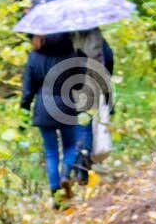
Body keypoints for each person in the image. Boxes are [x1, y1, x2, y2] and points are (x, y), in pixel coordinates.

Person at [20, 30, 115, 201]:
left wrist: (24, 110)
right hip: (66, 106)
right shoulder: (71, 52)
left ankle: (56, 194)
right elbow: (79, 82)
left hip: (43, 107)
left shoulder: (34, 57)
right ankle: (66, 174)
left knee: (51, 153)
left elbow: (28, 89)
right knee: (71, 146)